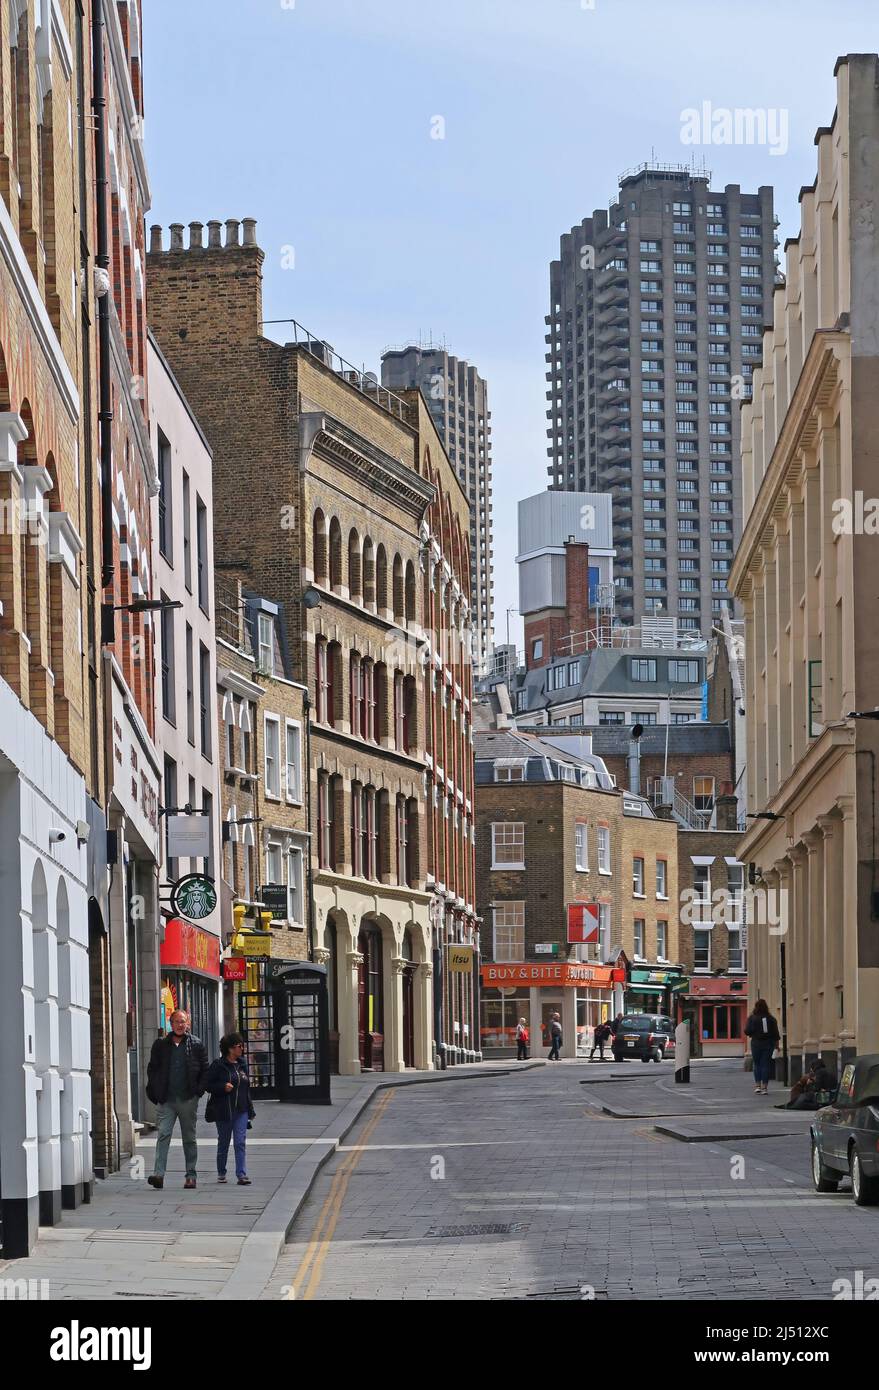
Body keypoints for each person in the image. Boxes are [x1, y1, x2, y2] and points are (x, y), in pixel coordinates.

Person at [146, 1010, 209, 1189]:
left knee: (189, 1138)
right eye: (176, 1022)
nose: (180, 1025)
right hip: (167, 1100)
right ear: (170, 1024)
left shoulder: (196, 1044)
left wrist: (198, 1092)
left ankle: (191, 1175)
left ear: (187, 1023)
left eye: (183, 1021)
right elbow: (152, 1070)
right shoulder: (160, 1045)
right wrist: (156, 1092)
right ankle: (159, 1175)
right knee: (163, 1134)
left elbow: (205, 1070)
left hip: (188, 1099)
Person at [204, 1033, 256, 1184]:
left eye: (242, 1045)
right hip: (224, 1110)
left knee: (240, 1142)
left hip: (241, 1110)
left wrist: (250, 1109)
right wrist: (222, 1086)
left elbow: (246, 1089)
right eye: (239, 1046)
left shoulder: (243, 1064)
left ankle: (241, 1174)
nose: (242, 1048)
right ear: (230, 1048)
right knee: (224, 1142)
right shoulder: (218, 1065)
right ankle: (221, 1171)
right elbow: (208, 1085)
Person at [744, 998, 780, 1095]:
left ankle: (757, 1086)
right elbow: (776, 1034)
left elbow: (747, 1031)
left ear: (756, 1007)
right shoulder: (771, 1019)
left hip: (756, 1043)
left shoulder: (752, 1018)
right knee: (765, 1064)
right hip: (768, 1044)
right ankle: (765, 1087)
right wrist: (777, 1046)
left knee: (757, 1064)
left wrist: (754, 1031)